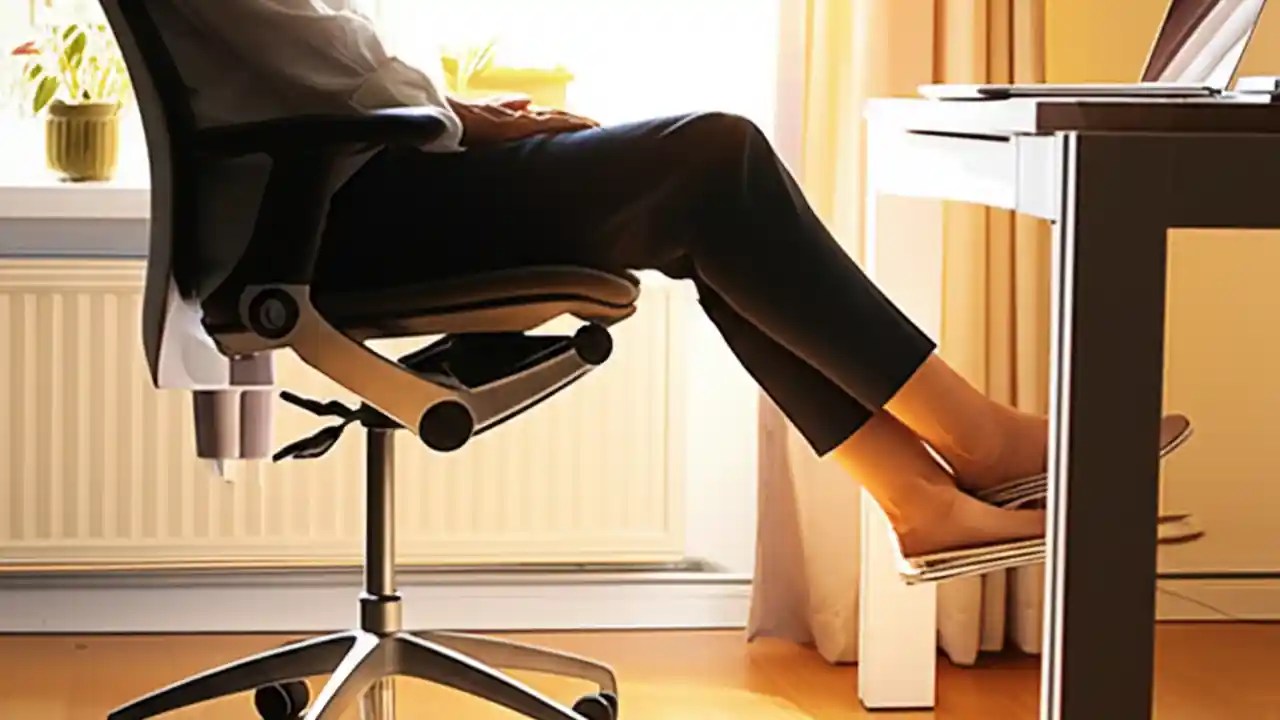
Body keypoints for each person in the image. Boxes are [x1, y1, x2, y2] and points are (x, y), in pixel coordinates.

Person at [150, 0, 1188, 578]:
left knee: (711, 203)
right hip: (345, 215)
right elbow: (318, 70)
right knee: (709, 158)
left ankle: (921, 497)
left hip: (359, 192)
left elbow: (308, 65)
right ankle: (977, 446)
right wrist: (465, 119)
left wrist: (457, 106)